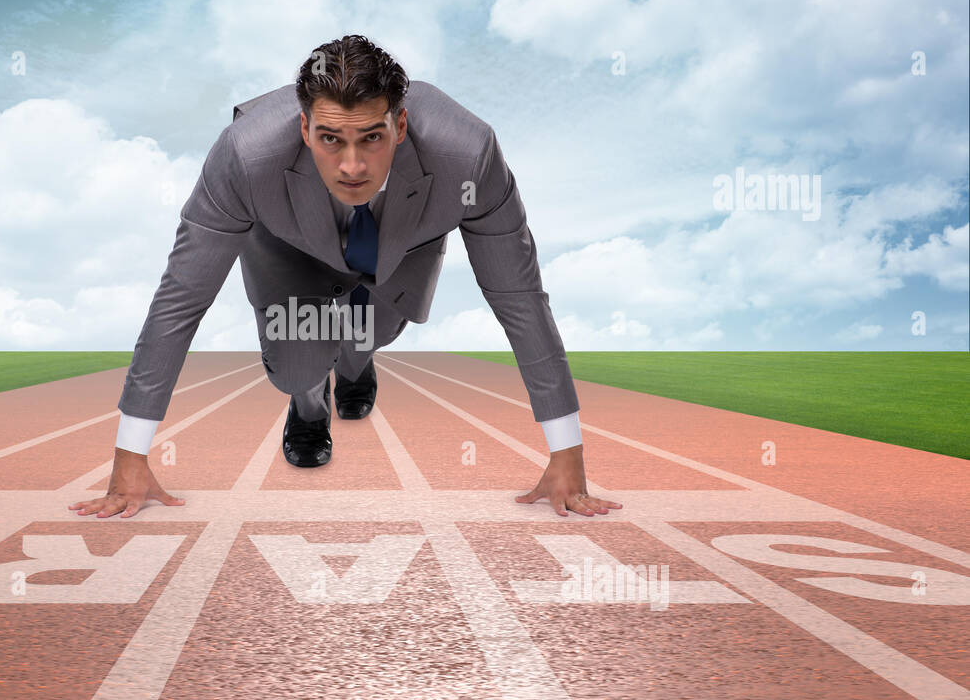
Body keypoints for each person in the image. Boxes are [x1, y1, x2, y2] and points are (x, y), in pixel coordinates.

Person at [70, 35, 621, 520]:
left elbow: (519, 296)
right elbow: (181, 299)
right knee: (300, 352)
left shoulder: (467, 155)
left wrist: (566, 454)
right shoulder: (245, 157)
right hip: (290, 246)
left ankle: (358, 365)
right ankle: (309, 406)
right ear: (304, 127)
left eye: (371, 139)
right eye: (331, 138)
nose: (352, 166)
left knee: (370, 330)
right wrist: (130, 457)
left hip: (397, 251)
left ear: (400, 125)